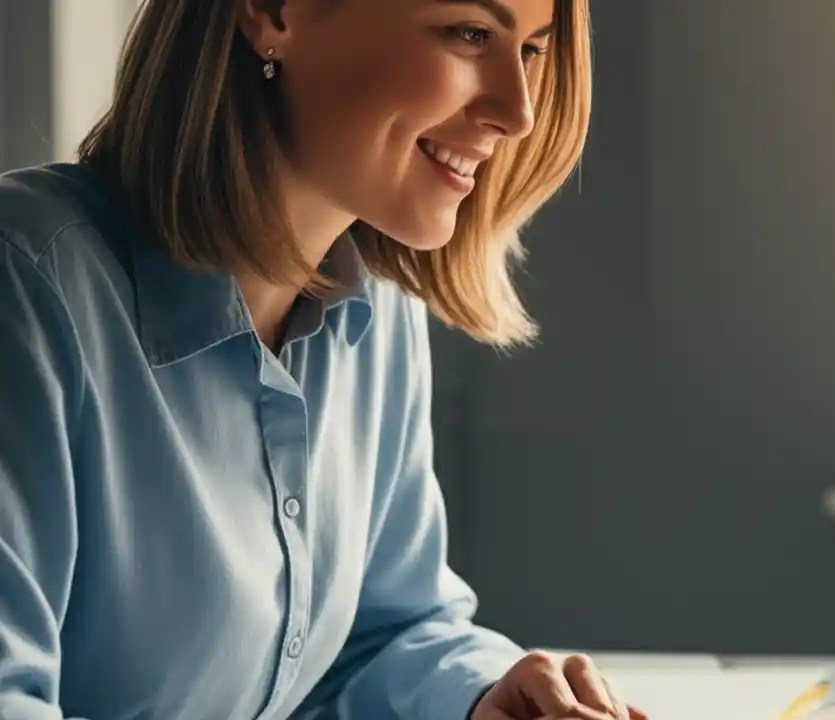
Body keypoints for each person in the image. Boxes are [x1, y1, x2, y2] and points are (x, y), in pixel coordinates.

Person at [0, 0, 645, 718]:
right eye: (470, 34)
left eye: (529, 51)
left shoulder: (378, 308)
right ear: (274, 12)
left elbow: (379, 633)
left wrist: (481, 698)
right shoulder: (26, 287)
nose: (516, 112)